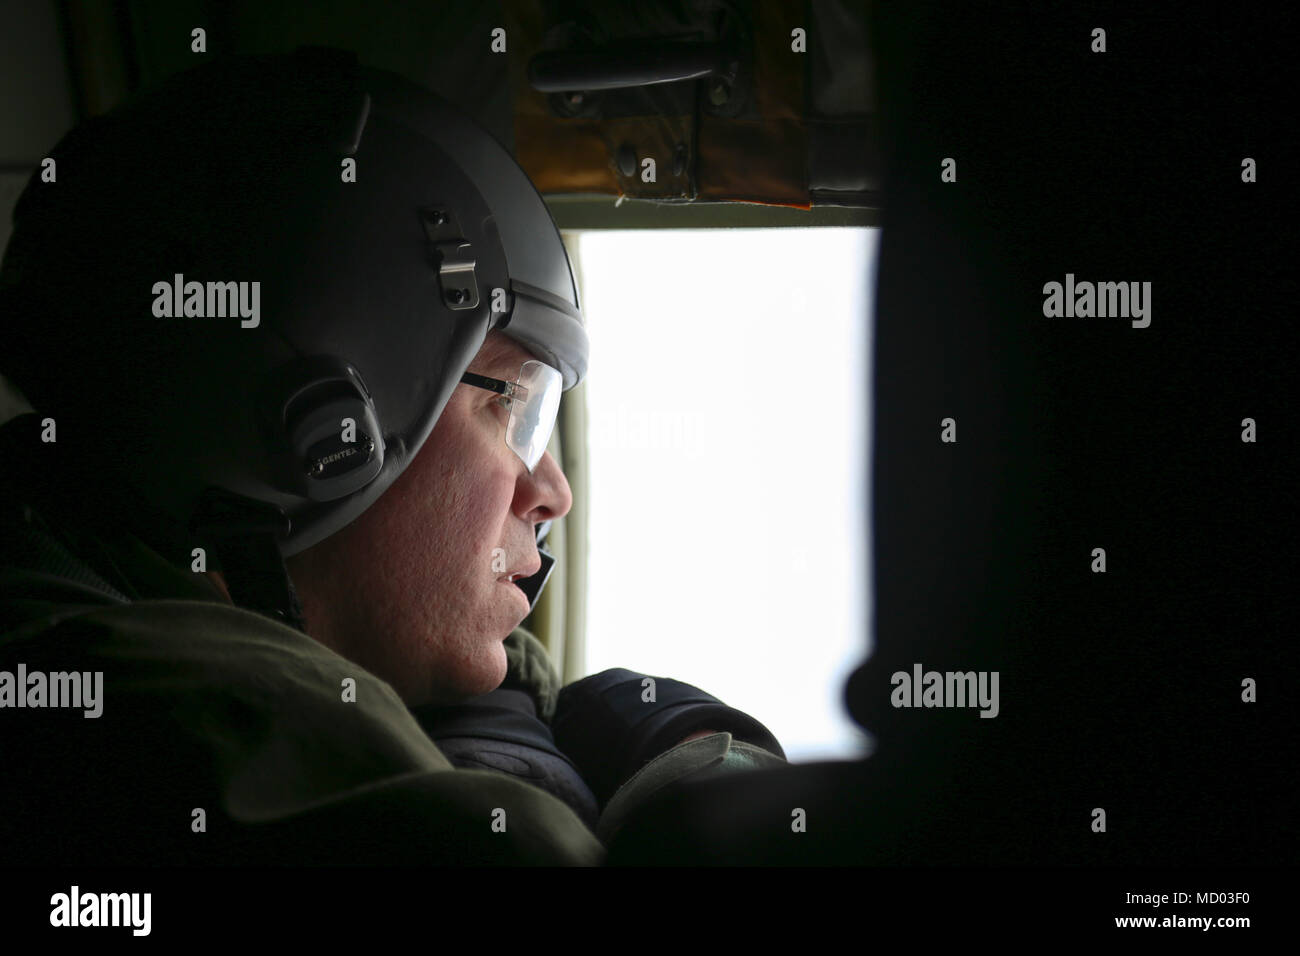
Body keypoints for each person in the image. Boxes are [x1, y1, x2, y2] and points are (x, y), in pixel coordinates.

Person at [0, 47, 784, 865]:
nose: (552, 491)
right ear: (322, 431)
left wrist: (622, 724)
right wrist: (700, 764)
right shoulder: (151, 727)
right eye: (515, 407)